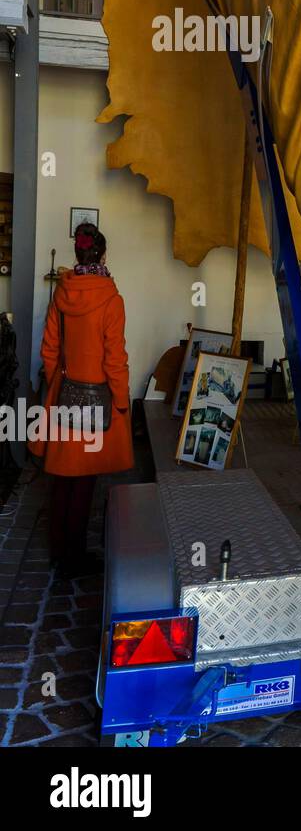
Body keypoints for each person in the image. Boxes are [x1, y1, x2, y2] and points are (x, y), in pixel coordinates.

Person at [31, 223, 133, 578]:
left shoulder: (62, 293)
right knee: (85, 481)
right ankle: (74, 557)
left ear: (78, 256)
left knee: (61, 479)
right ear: (103, 256)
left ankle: (59, 551)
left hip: (65, 394)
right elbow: (115, 358)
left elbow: (49, 350)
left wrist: (58, 381)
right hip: (97, 400)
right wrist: (121, 399)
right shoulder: (111, 298)